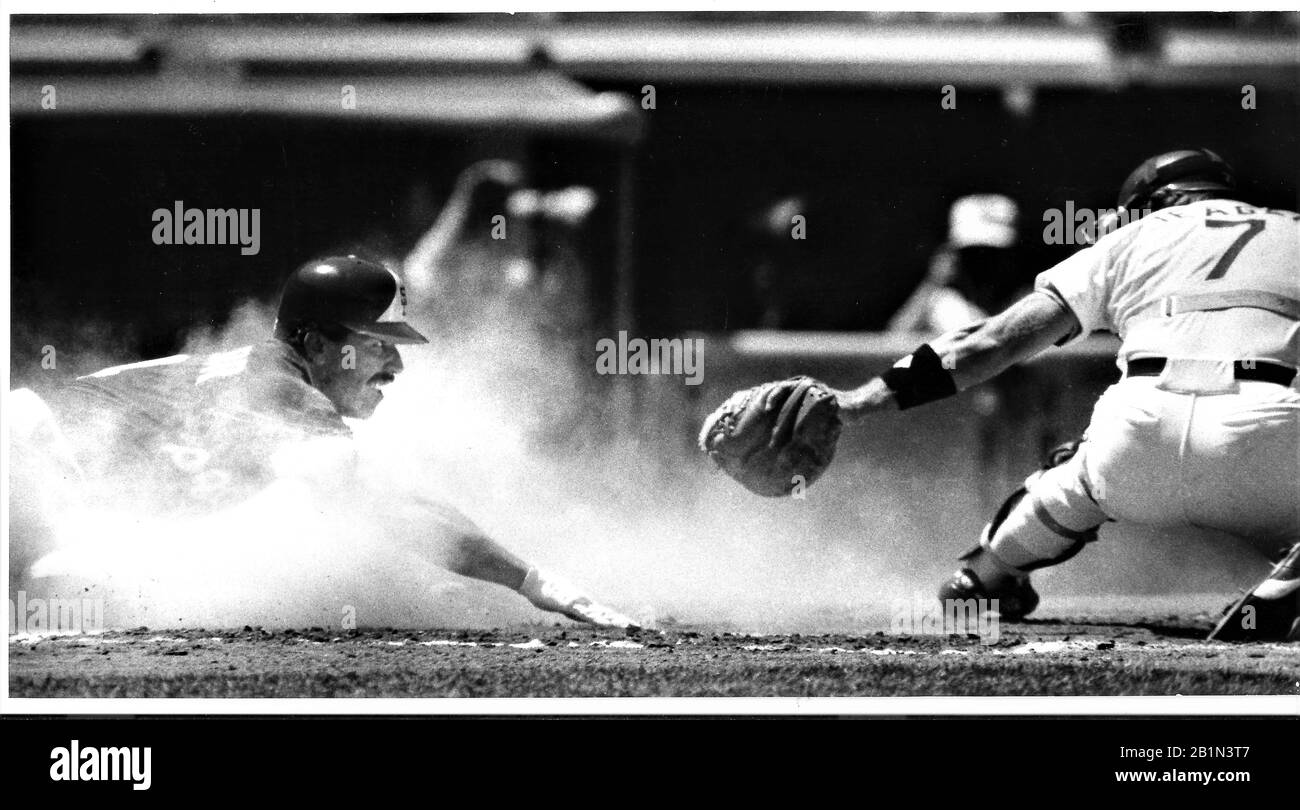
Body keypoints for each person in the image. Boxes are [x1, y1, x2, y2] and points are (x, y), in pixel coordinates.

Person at [9, 255, 637, 629]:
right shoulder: (285, 390)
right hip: (29, 459)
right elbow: (394, 505)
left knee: (92, 584)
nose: (394, 366)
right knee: (83, 590)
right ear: (314, 344)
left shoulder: (264, 380)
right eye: (377, 344)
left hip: (37, 456)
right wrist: (532, 580)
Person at [827, 149, 1299, 641]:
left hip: (1134, 439)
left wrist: (859, 402)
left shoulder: (1133, 236)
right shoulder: (1293, 228)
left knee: (1077, 478)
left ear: (1153, 201)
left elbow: (990, 342)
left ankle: (984, 576)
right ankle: (1286, 588)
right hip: (1273, 431)